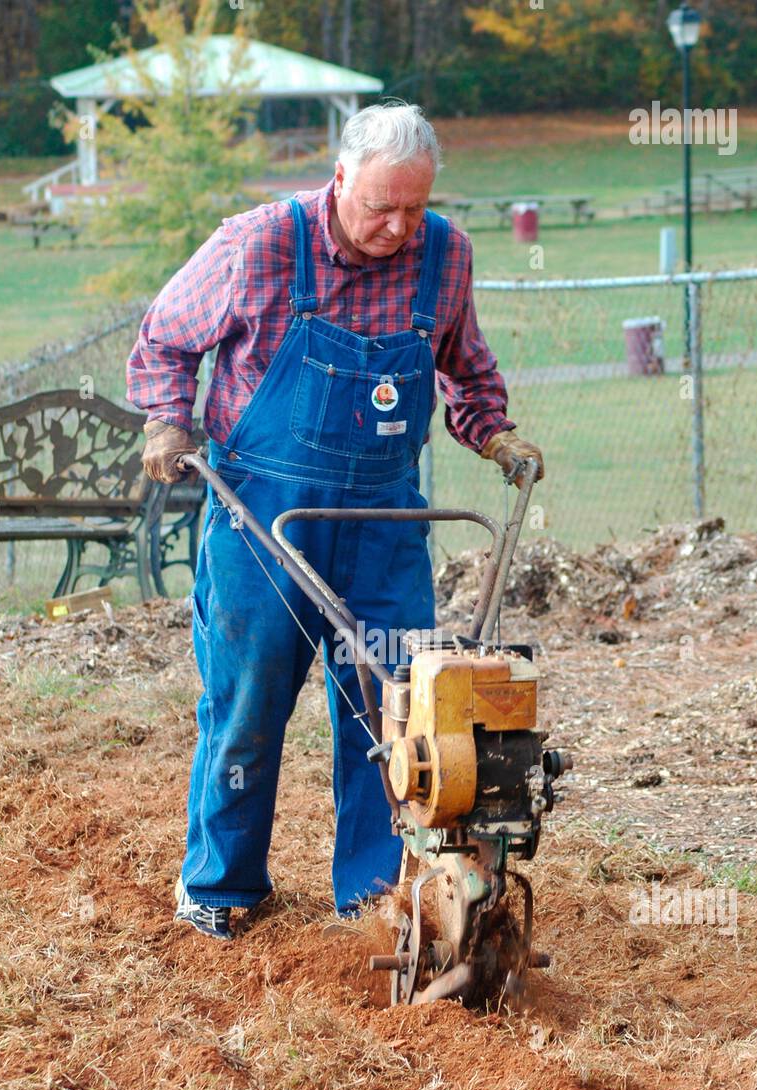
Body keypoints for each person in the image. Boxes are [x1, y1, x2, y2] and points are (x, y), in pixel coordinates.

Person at [127, 101, 543, 941]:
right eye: (379, 206)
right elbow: (166, 338)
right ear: (340, 177)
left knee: (395, 712)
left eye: (414, 209)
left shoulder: (445, 257)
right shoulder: (261, 244)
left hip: (387, 523)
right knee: (246, 706)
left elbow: (464, 366)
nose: (397, 227)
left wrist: (493, 431)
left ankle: (373, 900)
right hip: (263, 518)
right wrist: (168, 420)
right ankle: (221, 889)